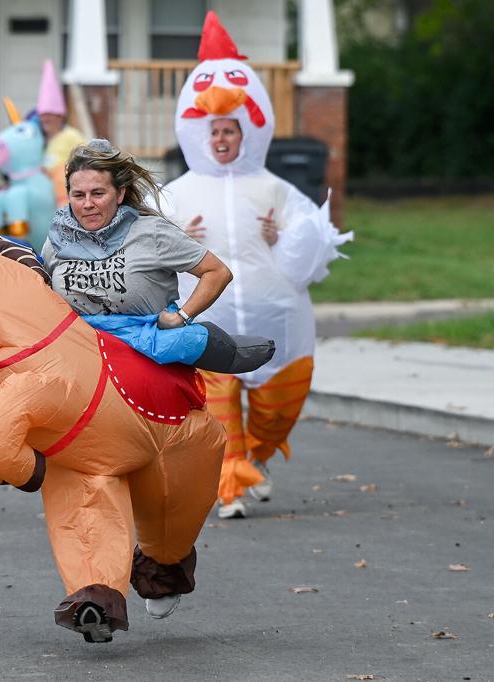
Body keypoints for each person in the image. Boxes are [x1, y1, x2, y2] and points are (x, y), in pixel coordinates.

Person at [164, 11, 348, 520]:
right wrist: (179, 240)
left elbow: (315, 252)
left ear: (245, 133)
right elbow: (144, 247)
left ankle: (256, 458)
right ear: (201, 134)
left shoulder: (276, 189)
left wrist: (283, 236)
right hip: (210, 325)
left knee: (277, 413)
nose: (222, 139)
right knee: (218, 411)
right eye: (215, 131)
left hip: (278, 326)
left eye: (230, 131)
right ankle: (229, 483)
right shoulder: (174, 196)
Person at [42, 139, 273, 374]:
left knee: (186, 341)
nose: (88, 204)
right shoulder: (57, 240)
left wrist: (182, 316)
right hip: (81, 353)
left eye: (98, 193)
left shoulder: (151, 232)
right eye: (78, 195)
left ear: (120, 193)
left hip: (148, 355)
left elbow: (217, 272)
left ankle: (226, 350)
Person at [35, 59, 85, 205]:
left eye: (50, 114)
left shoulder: (72, 136)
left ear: (60, 116)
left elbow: (85, 162)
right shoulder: (38, 138)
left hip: (64, 197)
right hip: (42, 198)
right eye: (43, 115)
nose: (46, 119)